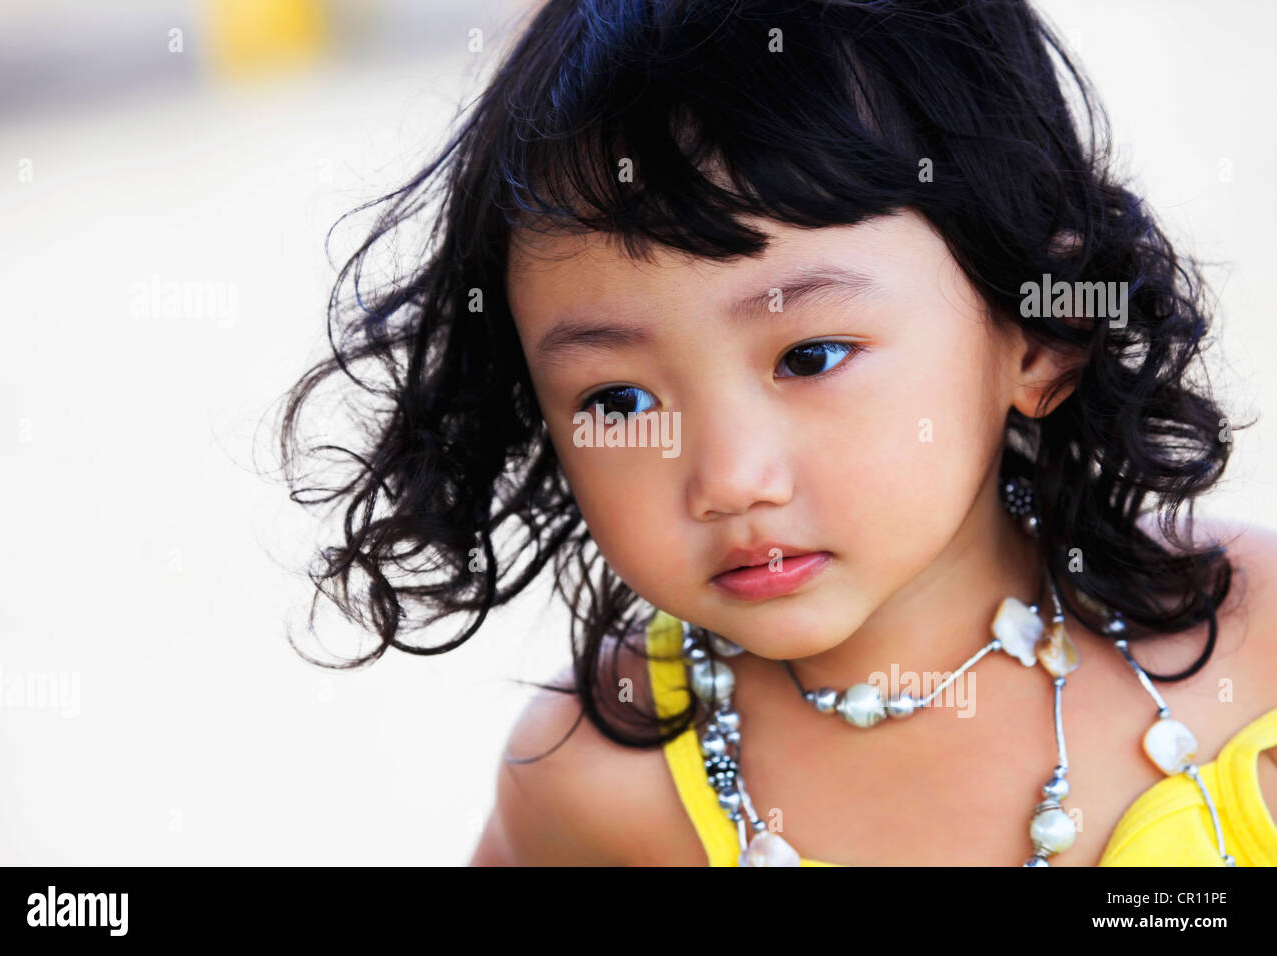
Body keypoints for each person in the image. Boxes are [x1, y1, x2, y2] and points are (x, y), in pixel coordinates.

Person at [278, 0, 1277, 865]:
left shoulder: (1252, 644)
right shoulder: (594, 783)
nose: (729, 477)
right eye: (618, 402)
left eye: (808, 357)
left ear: (1040, 334)